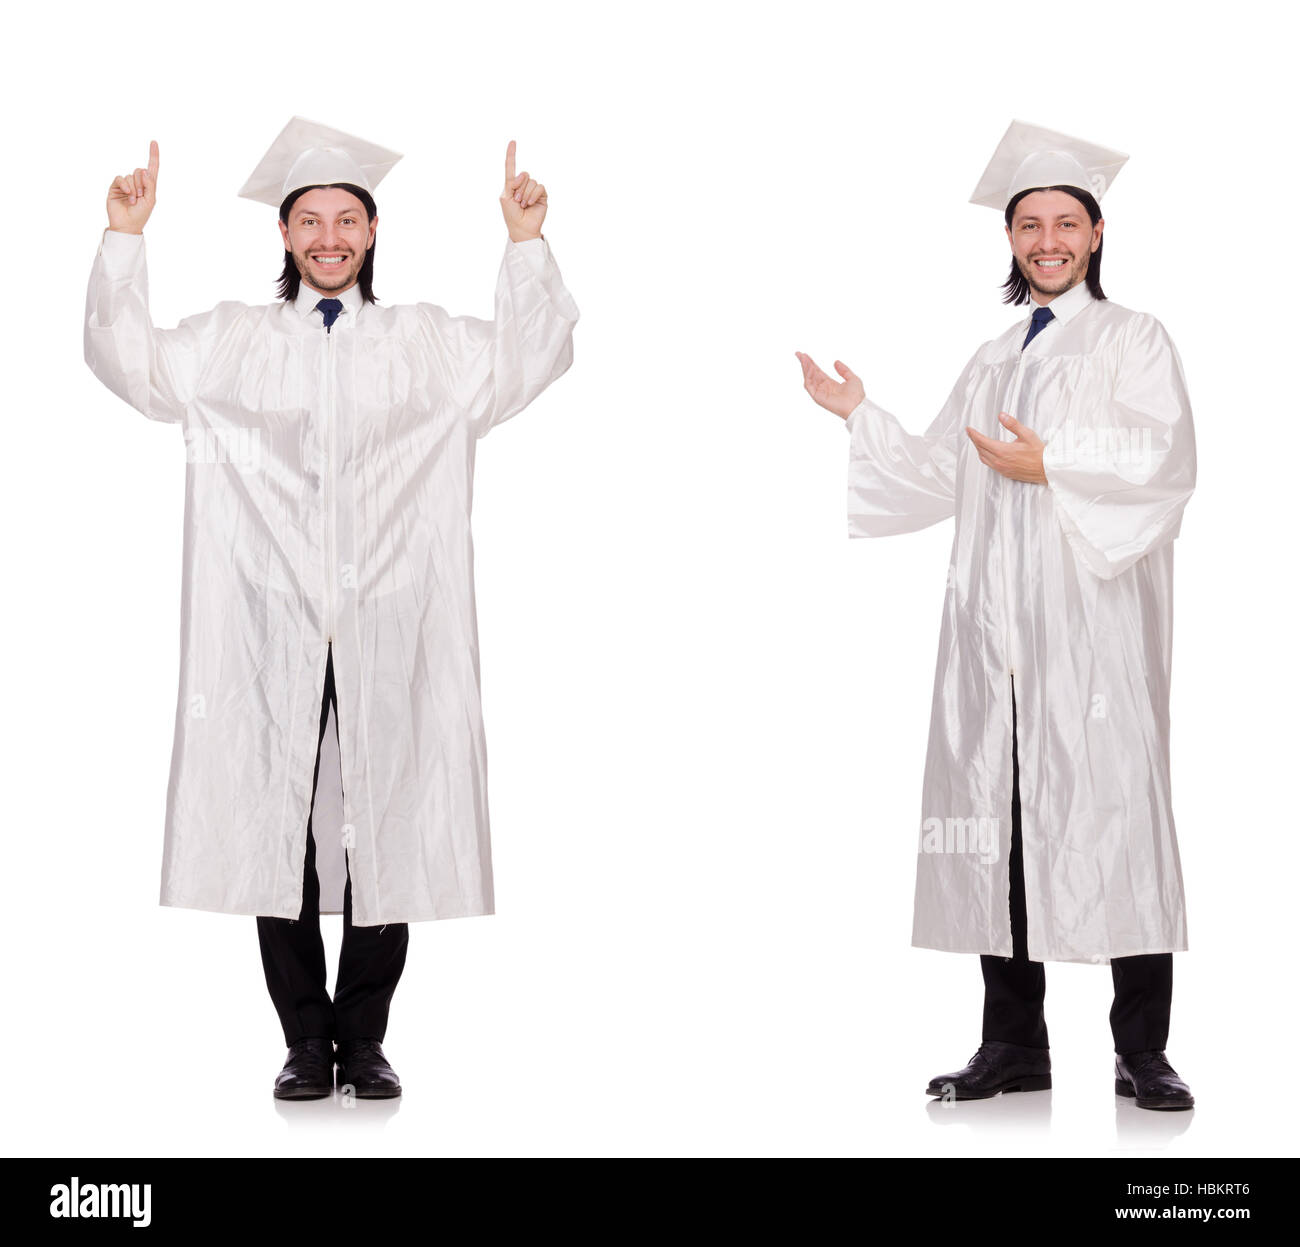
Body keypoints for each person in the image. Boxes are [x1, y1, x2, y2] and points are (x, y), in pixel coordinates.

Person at [84, 117, 579, 1100]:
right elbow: (127, 362)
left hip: (393, 620)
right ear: (282, 234)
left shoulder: (426, 341)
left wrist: (525, 245)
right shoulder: (231, 338)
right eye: (308, 219)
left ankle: (367, 1035)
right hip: (266, 622)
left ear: (372, 230)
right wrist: (124, 239)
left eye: (345, 218)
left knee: (382, 826)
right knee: (281, 831)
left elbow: (534, 358)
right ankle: (304, 1037)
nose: (327, 235)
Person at [796, 120, 1197, 1111]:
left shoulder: (1134, 340)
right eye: (1029, 224)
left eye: (1066, 222)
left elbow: (1164, 464)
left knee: (1120, 821)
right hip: (991, 642)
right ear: (1010, 239)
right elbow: (941, 468)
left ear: (1096, 234)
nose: (1047, 239)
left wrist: (1052, 463)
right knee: (995, 826)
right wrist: (859, 413)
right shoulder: (990, 355)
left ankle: (1141, 1049)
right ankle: (1011, 1041)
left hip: (1090, 637)